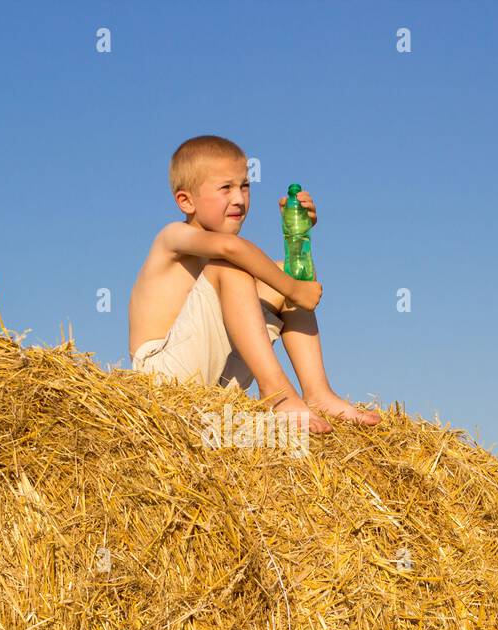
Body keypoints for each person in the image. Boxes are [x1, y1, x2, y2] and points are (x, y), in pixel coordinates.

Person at [128, 134, 380, 433]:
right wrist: (293, 289)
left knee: (286, 270)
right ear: (186, 200)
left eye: (244, 186)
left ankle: (318, 393)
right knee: (237, 269)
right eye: (225, 188)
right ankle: (277, 392)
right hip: (161, 379)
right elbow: (232, 250)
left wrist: (299, 235)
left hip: (212, 386)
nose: (239, 198)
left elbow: (254, 263)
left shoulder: (220, 249)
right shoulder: (171, 236)